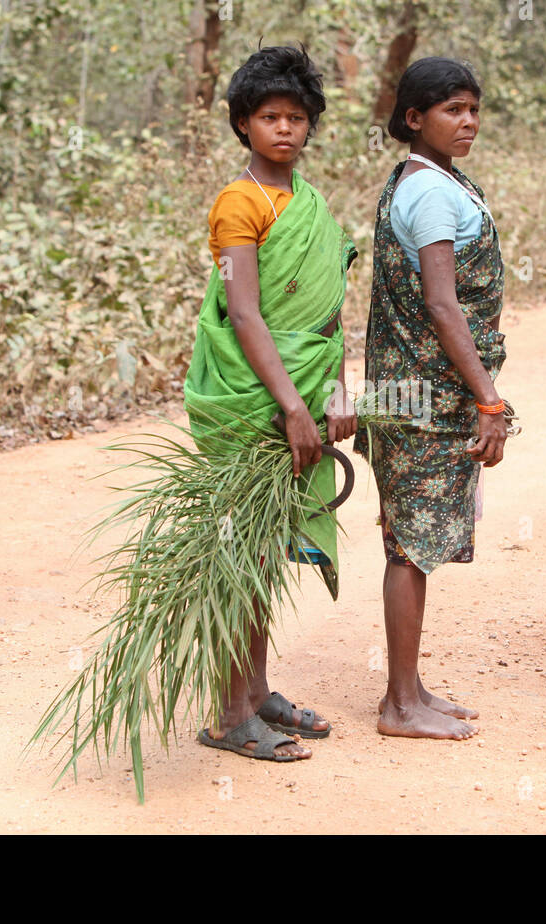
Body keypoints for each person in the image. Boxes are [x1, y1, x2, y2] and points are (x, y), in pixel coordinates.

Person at [184, 45, 357, 760]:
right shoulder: (239, 204)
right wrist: (292, 407)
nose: (284, 129)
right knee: (242, 553)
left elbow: (328, 313)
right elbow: (246, 312)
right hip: (252, 397)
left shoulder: (310, 206)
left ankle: (255, 692)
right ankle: (229, 715)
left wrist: (337, 388)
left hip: (303, 390)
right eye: (268, 117)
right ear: (242, 125)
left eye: (296, 117)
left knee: (267, 546)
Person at [355, 57, 509, 740]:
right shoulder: (432, 193)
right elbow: (443, 306)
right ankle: (399, 705)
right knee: (410, 549)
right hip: (422, 396)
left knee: (408, 540)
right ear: (414, 118)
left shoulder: (428, 181)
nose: (468, 121)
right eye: (452, 109)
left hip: (409, 388)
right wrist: (489, 400)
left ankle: (410, 687)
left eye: (473, 109)